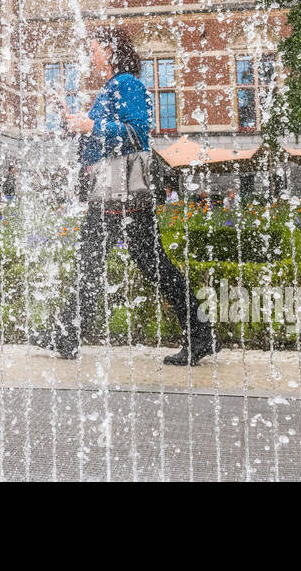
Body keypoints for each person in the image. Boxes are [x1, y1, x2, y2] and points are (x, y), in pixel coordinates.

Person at [30, 25, 219, 366]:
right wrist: (74, 122)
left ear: (111, 50)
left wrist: (90, 126)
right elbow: (101, 141)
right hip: (112, 188)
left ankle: (201, 332)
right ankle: (68, 333)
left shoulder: (126, 83)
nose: (91, 55)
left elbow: (137, 133)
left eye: (95, 49)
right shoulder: (111, 87)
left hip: (125, 188)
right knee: (101, 261)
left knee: (147, 264)